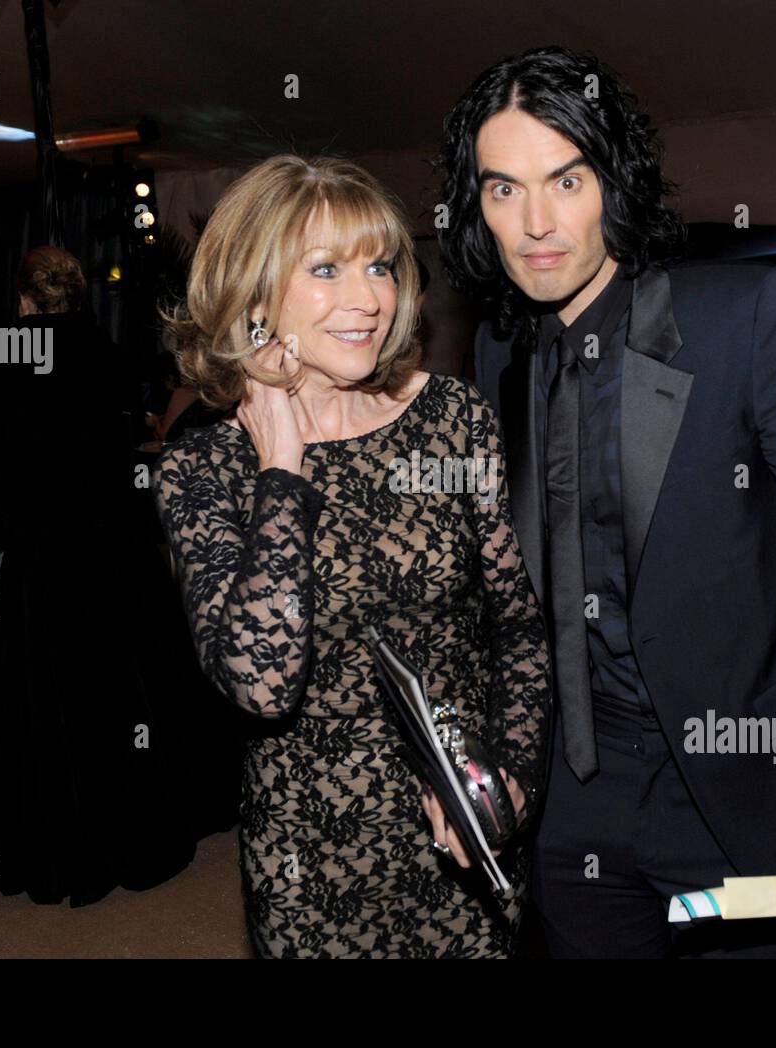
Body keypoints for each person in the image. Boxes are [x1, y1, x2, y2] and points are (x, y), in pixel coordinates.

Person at [437, 45, 776, 957]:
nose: (536, 222)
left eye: (566, 180)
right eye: (503, 189)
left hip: (743, 785)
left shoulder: (751, 319)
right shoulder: (503, 356)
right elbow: (512, 599)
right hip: (571, 800)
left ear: (613, 182)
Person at [155, 155, 551, 957]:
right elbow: (262, 687)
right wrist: (281, 469)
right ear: (255, 294)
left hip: (459, 827)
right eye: (327, 269)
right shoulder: (202, 470)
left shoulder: (452, 421)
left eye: (379, 265)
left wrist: (506, 774)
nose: (369, 298)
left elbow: (519, 626)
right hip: (307, 851)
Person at [0, 246, 235, 907]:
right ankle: (147, 814)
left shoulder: (4, 355)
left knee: (46, 691)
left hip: (49, 551)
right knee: (128, 680)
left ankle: (57, 837)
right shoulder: (106, 351)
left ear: (24, 298)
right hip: (113, 543)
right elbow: (119, 439)